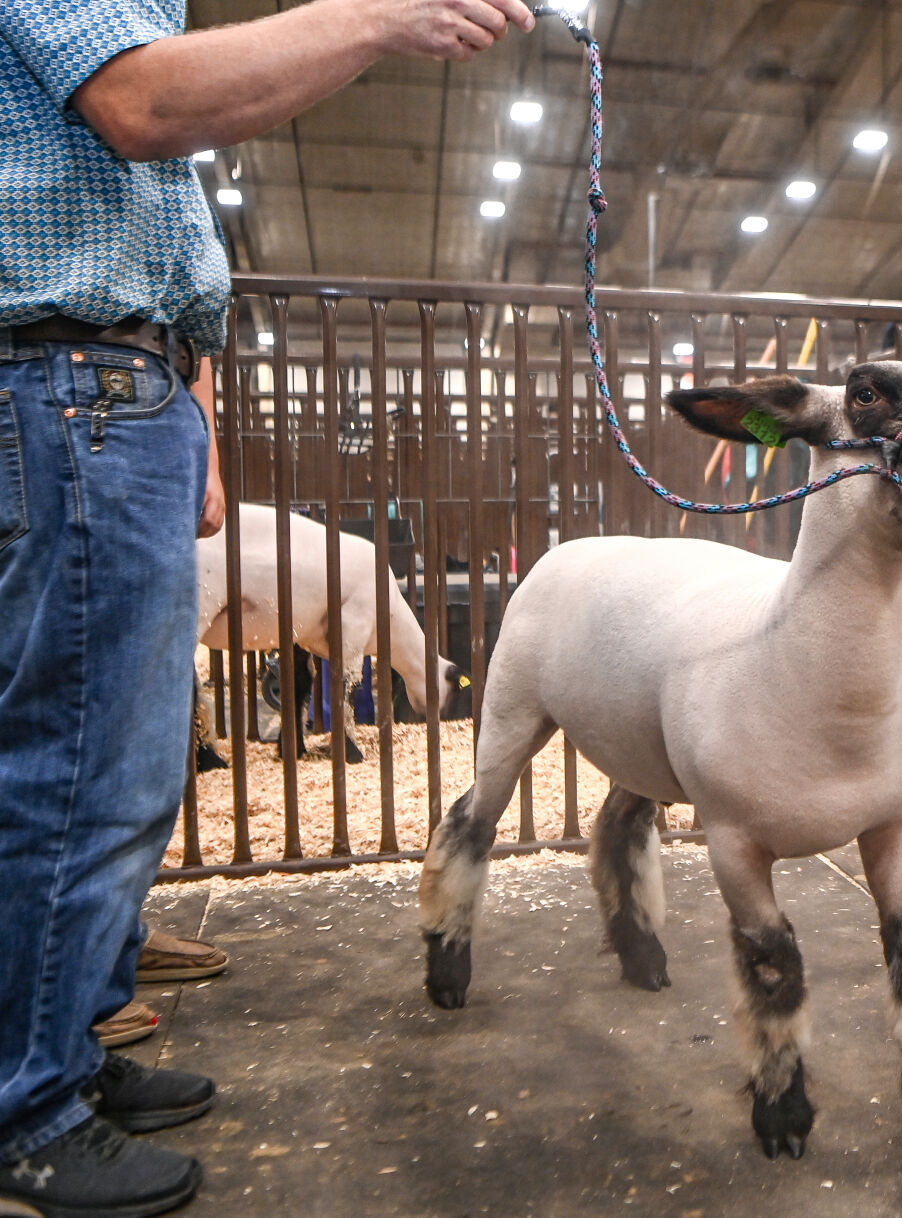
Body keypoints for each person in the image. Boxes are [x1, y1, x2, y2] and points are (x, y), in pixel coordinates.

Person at [0, 3, 536, 1215]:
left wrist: (192, 413)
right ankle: (24, 1104)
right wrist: (378, 16)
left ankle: (67, 1050)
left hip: (125, 386)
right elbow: (141, 103)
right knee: (75, 761)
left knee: (127, 765)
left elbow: (159, 204)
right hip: (68, 379)